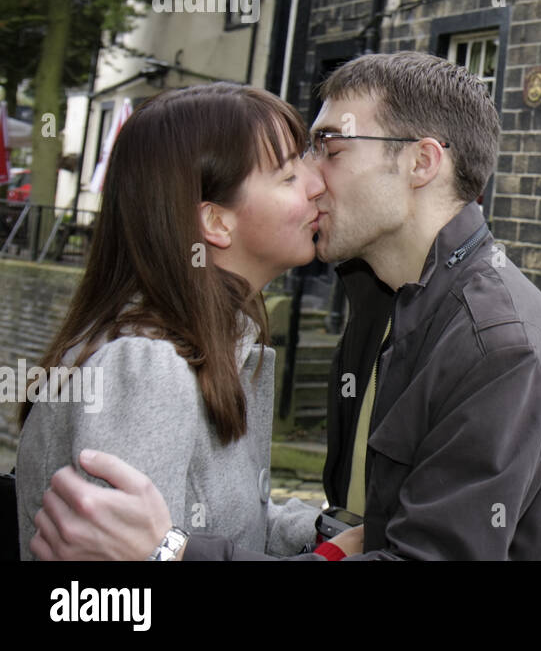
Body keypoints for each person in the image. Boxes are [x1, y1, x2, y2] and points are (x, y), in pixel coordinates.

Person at [32, 52, 541, 560]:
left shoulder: (495, 340)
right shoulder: (378, 301)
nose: (314, 180)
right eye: (294, 165)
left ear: (422, 163)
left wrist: (186, 553)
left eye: (331, 149)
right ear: (215, 221)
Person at [21, 83, 363, 560]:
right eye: (287, 176)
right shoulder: (146, 369)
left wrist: (323, 532)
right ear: (216, 224)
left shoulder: (215, 346)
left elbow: (222, 519)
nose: (316, 183)